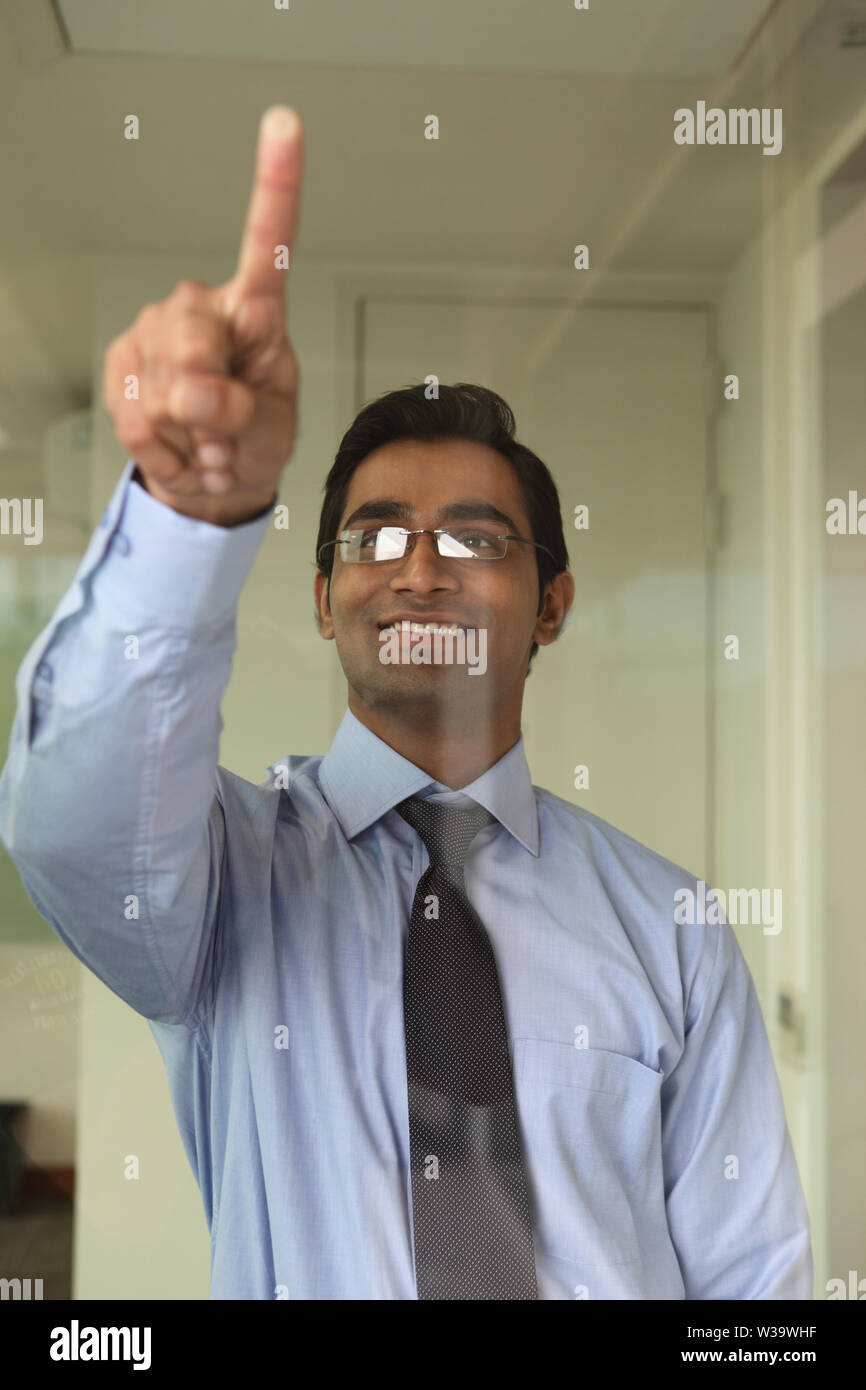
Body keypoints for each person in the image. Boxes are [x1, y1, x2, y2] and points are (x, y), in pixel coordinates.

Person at [0, 107, 812, 1300]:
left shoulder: (671, 928)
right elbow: (70, 824)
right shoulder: (222, 883)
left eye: (475, 538)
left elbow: (753, 1283)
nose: (420, 567)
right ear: (326, 598)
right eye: (375, 537)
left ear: (550, 604)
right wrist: (188, 512)